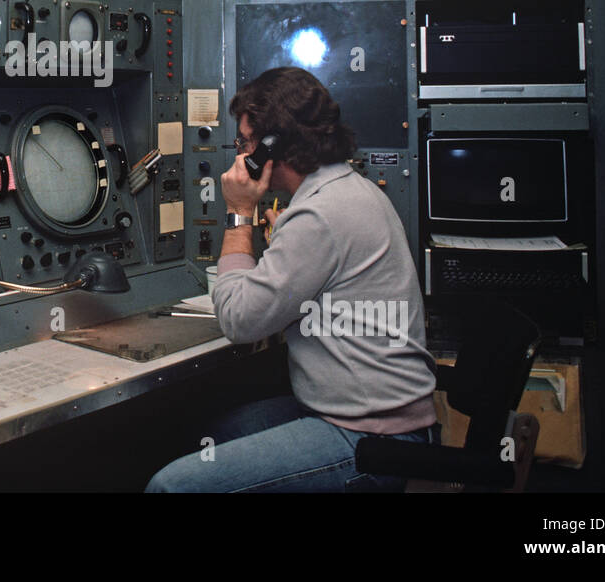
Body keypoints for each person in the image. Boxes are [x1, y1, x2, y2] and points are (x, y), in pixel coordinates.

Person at [146, 66, 437, 492]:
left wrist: (238, 216)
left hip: (375, 439)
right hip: (371, 415)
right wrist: (284, 234)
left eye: (245, 143)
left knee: (173, 486)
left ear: (272, 146)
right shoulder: (346, 190)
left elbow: (240, 321)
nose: (241, 154)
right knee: (212, 433)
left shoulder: (319, 213)